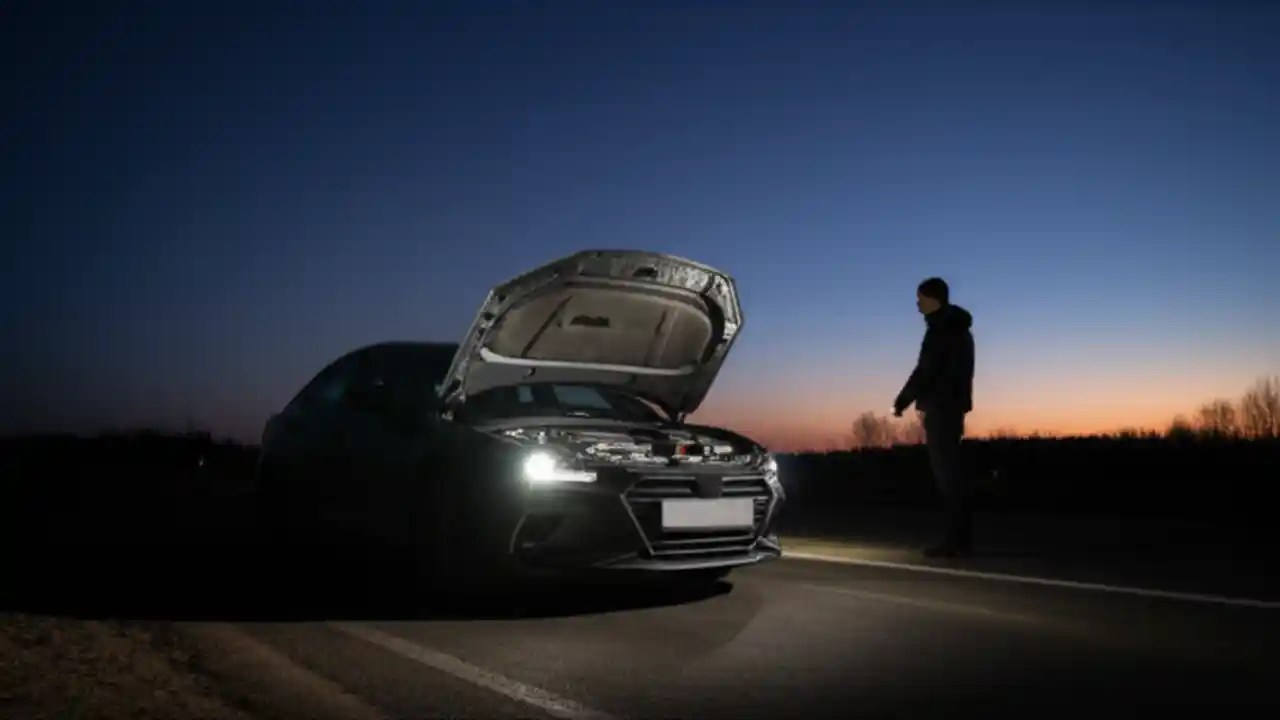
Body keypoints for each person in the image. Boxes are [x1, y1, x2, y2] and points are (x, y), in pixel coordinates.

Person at [893, 277, 975, 558]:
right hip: (951, 407)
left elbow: (925, 370)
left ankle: (956, 540)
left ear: (933, 299)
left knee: (948, 476)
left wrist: (903, 399)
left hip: (942, 408)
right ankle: (961, 537)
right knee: (953, 474)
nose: (917, 305)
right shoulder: (959, 330)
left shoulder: (941, 331)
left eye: (920, 299)